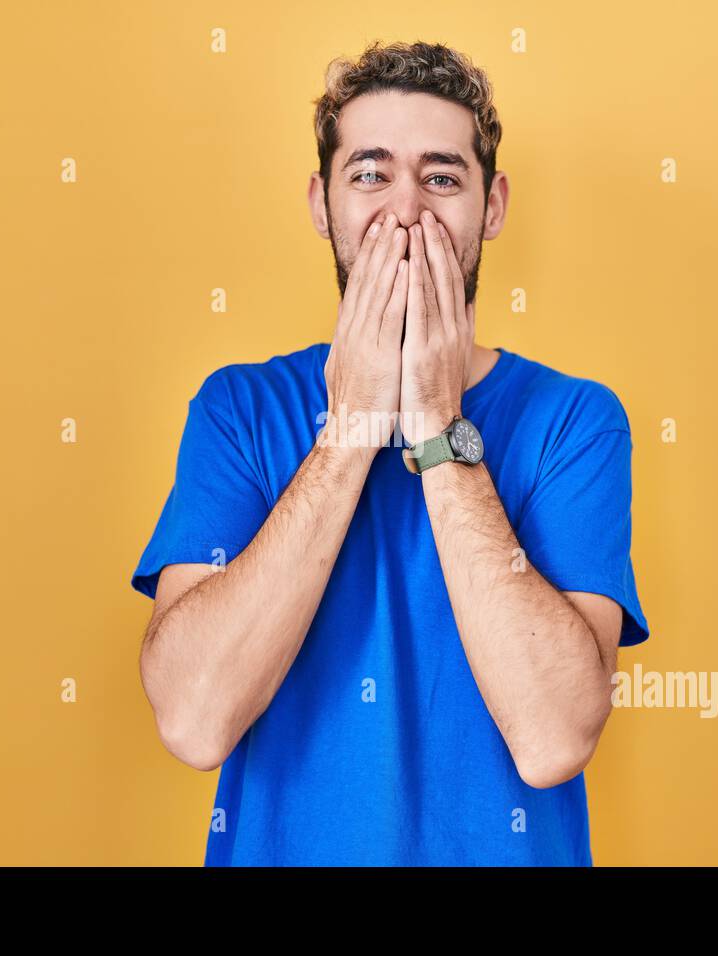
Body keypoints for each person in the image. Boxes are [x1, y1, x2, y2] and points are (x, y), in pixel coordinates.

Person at [131, 40, 650, 866]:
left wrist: (440, 428)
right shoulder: (237, 410)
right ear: (320, 202)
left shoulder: (574, 422)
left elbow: (554, 738)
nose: (406, 212)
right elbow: (194, 722)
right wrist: (351, 429)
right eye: (370, 173)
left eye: (442, 177)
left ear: (493, 206)